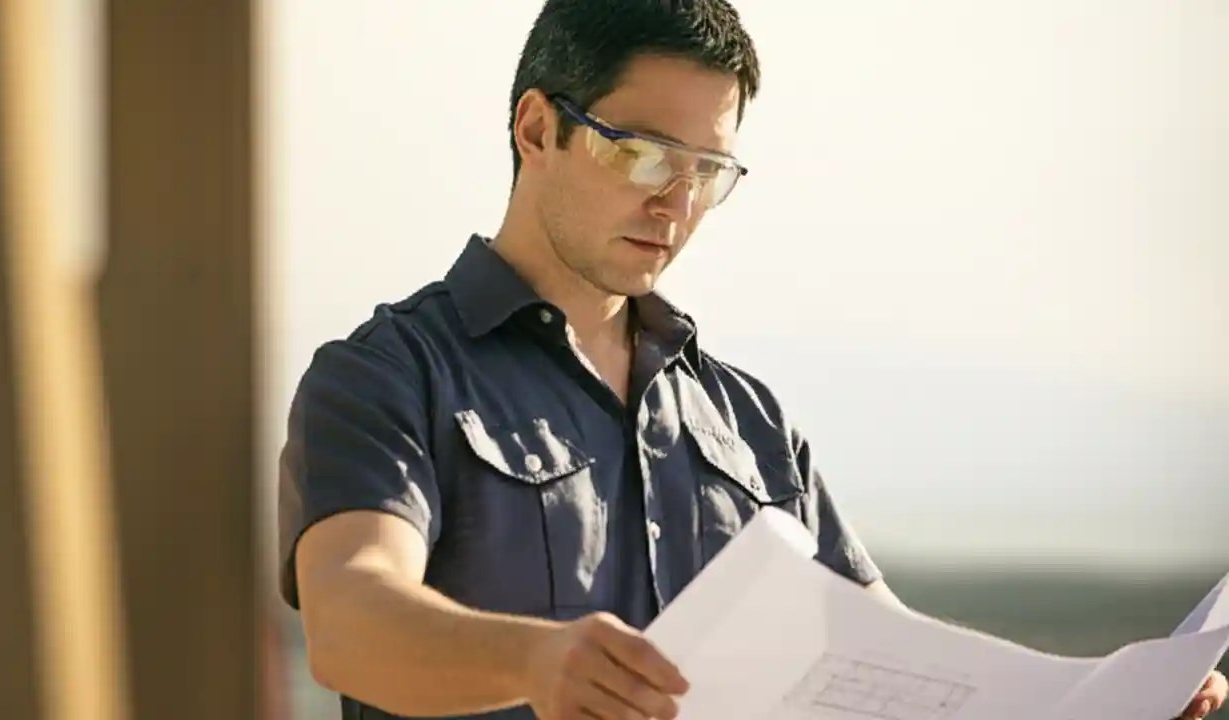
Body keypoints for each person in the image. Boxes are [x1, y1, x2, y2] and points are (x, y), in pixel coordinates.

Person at [277, 2, 1228, 718]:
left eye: (707, 172)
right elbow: (353, 620)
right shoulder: (389, 373)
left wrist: (1103, 704)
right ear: (536, 128)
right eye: (647, 155)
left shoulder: (751, 423)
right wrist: (532, 661)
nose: (676, 204)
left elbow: (900, 673)